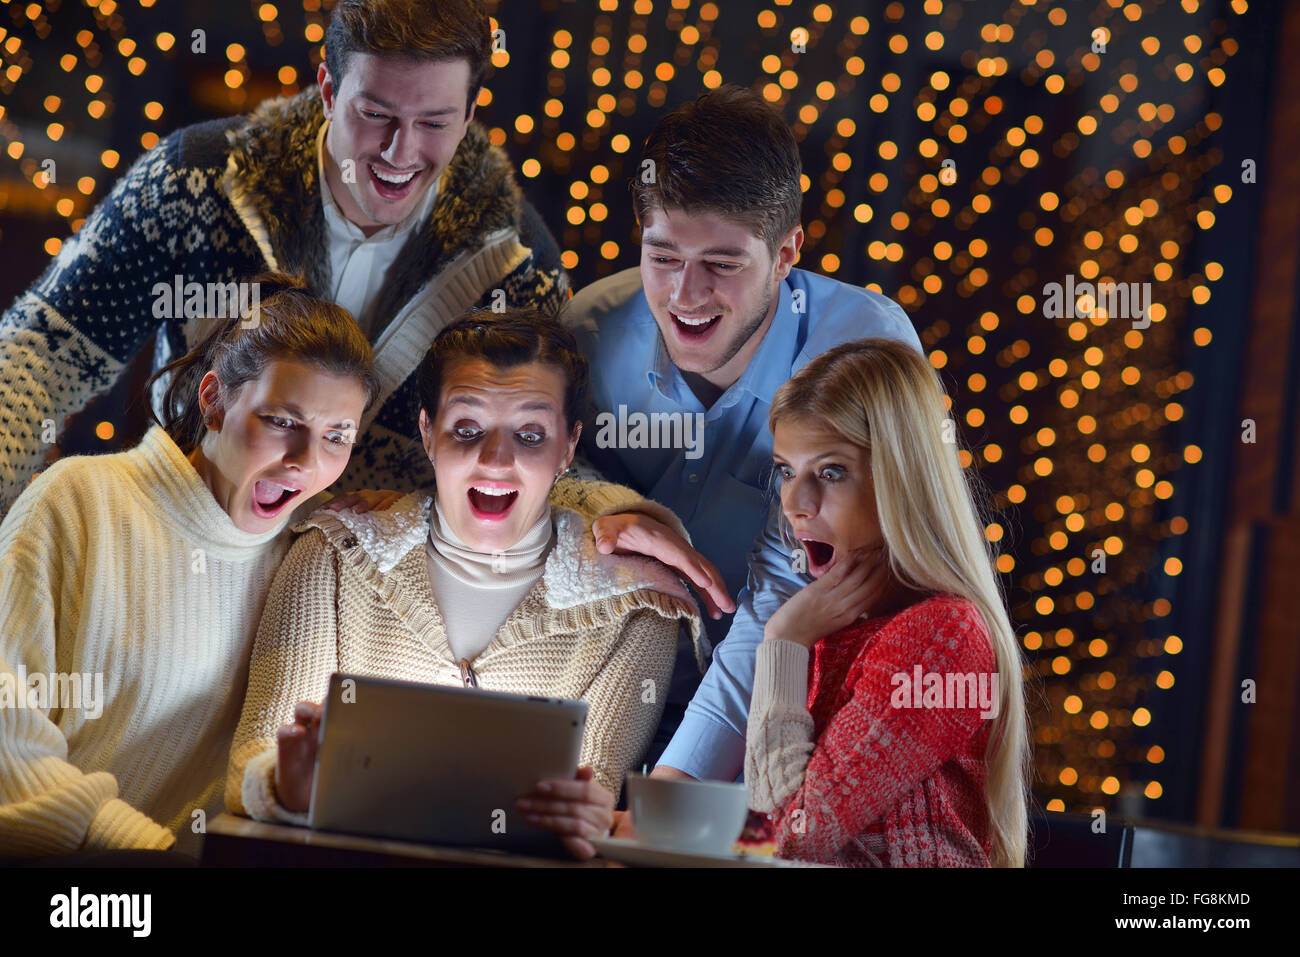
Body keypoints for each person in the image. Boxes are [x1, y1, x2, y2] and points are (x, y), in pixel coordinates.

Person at [0, 0, 564, 519]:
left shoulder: (520, 264)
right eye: (375, 114)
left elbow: (555, 459)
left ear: (468, 118)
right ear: (327, 91)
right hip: (175, 547)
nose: (401, 152)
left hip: (366, 604)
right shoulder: (193, 179)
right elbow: (43, 353)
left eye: (435, 123)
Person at [227, 310, 703, 859]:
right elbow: (252, 757)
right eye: (468, 430)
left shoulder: (635, 604)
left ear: (569, 446)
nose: (495, 459)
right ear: (428, 433)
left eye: (529, 435)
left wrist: (588, 822)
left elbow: (585, 796)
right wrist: (286, 787)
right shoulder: (332, 555)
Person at [559, 86, 924, 784]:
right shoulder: (588, 329)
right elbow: (533, 492)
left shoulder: (864, 348)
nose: (686, 295)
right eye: (663, 257)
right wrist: (604, 505)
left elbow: (784, 597)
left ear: (787, 252)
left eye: (722, 265)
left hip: (796, 723)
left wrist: (671, 793)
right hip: (595, 695)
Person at [0, 275, 378, 858]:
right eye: (282, 422)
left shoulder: (317, 550)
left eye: (337, 436)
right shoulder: (80, 502)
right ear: (214, 401)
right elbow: (8, 748)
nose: (305, 461)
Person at [744, 338, 1029, 867]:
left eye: (831, 472)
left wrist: (782, 645)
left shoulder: (943, 636)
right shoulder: (827, 622)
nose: (794, 504)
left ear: (901, 479)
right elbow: (766, 834)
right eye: (786, 470)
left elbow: (787, 840)